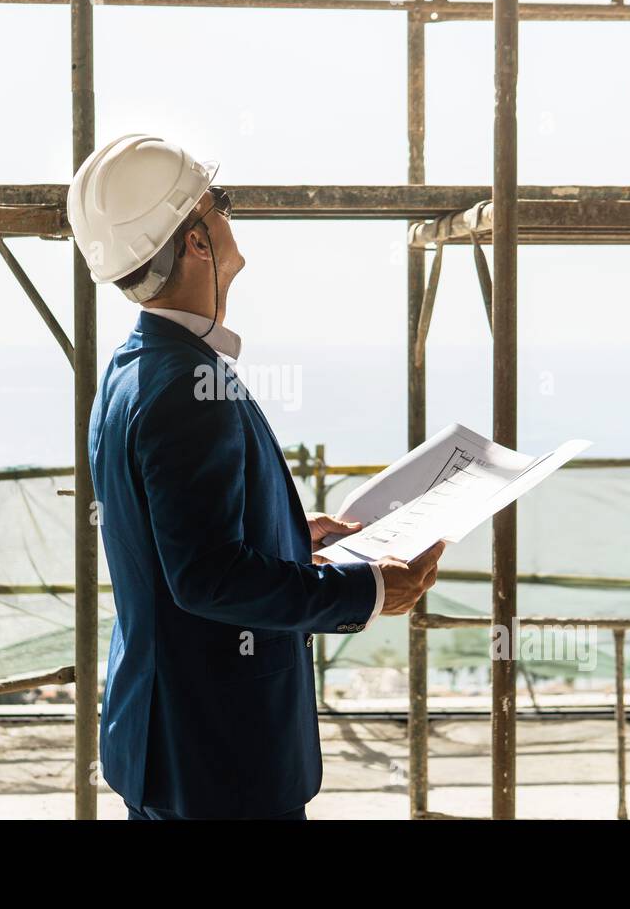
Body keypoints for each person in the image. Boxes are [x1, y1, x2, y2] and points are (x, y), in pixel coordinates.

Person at [69, 134, 445, 820]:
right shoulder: (187, 384)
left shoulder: (135, 369)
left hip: (171, 743)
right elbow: (208, 578)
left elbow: (174, 544)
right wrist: (368, 589)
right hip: (220, 757)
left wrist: (289, 535)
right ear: (195, 244)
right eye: (218, 206)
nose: (228, 217)